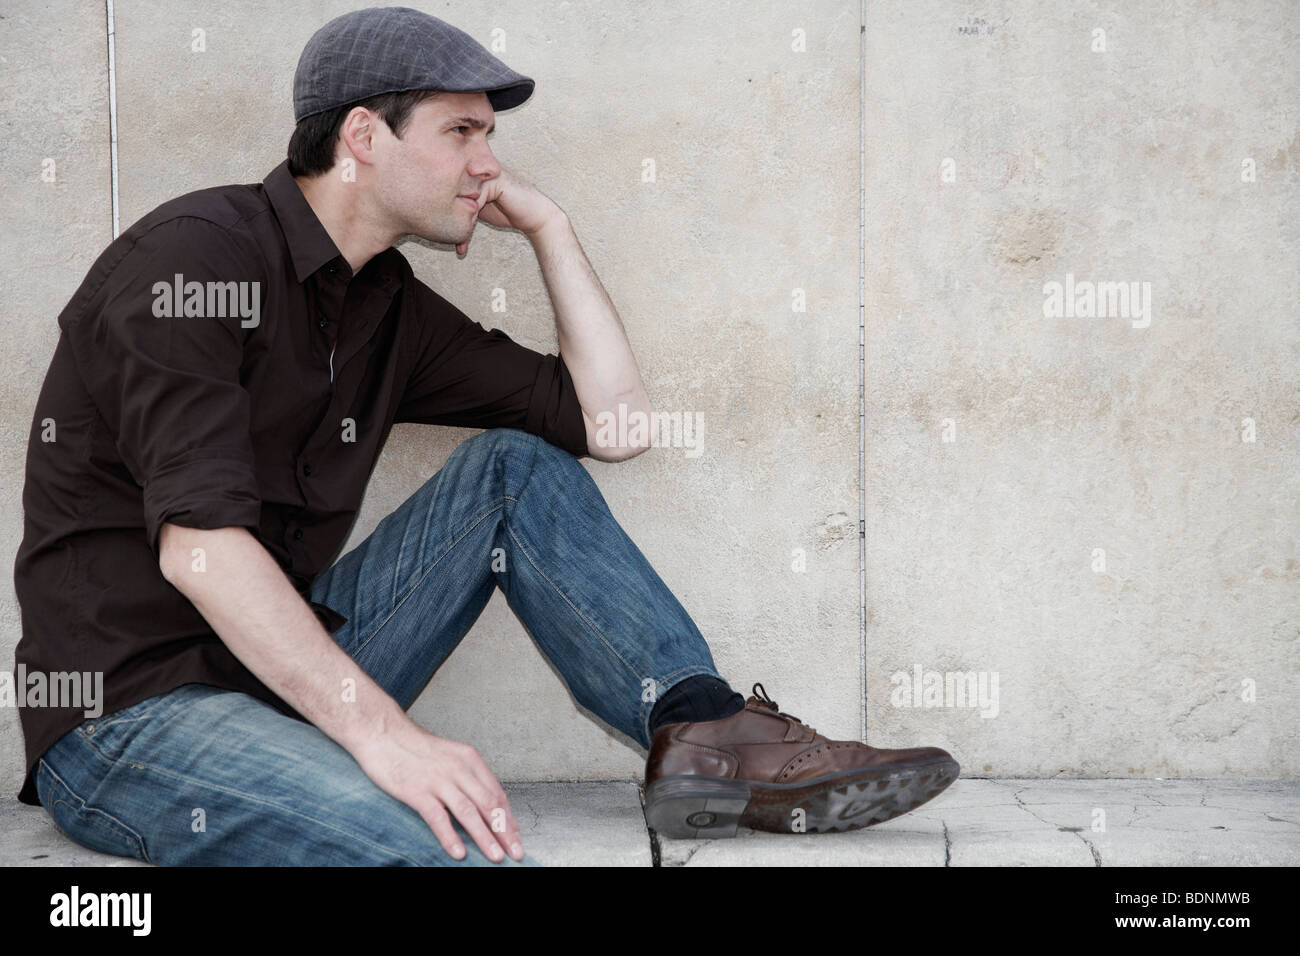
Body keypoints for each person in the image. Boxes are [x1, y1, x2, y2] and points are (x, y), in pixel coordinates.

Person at [11, 6, 958, 866]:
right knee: (443, 844)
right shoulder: (192, 262)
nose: (487, 166)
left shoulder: (385, 305)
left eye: (489, 137)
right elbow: (203, 552)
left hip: (278, 687)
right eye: (461, 132)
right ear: (362, 137)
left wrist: (549, 228)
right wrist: (384, 736)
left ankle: (706, 734)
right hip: (128, 724)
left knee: (515, 469)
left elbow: (614, 424)